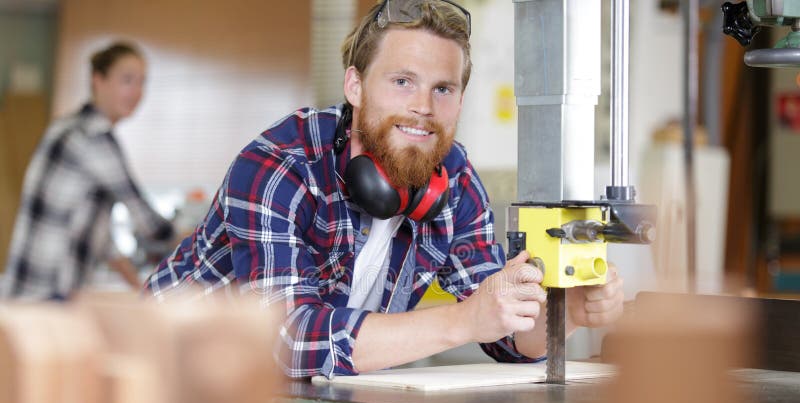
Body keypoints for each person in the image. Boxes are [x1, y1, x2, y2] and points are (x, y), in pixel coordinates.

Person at [145, 0, 624, 378]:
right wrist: (462, 320)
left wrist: (568, 314)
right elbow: (289, 340)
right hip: (165, 377)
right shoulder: (278, 164)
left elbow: (502, 332)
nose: (423, 107)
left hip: (298, 396)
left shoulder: (453, 180)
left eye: (443, 88)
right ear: (355, 85)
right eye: (402, 81)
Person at [2, 42, 174, 301]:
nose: (137, 92)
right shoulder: (93, 137)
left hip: (25, 290)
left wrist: (138, 287)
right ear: (98, 80)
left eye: (142, 82)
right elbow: (149, 225)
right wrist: (196, 239)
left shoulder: (66, 127)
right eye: (127, 80)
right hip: (46, 295)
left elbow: (99, 236)